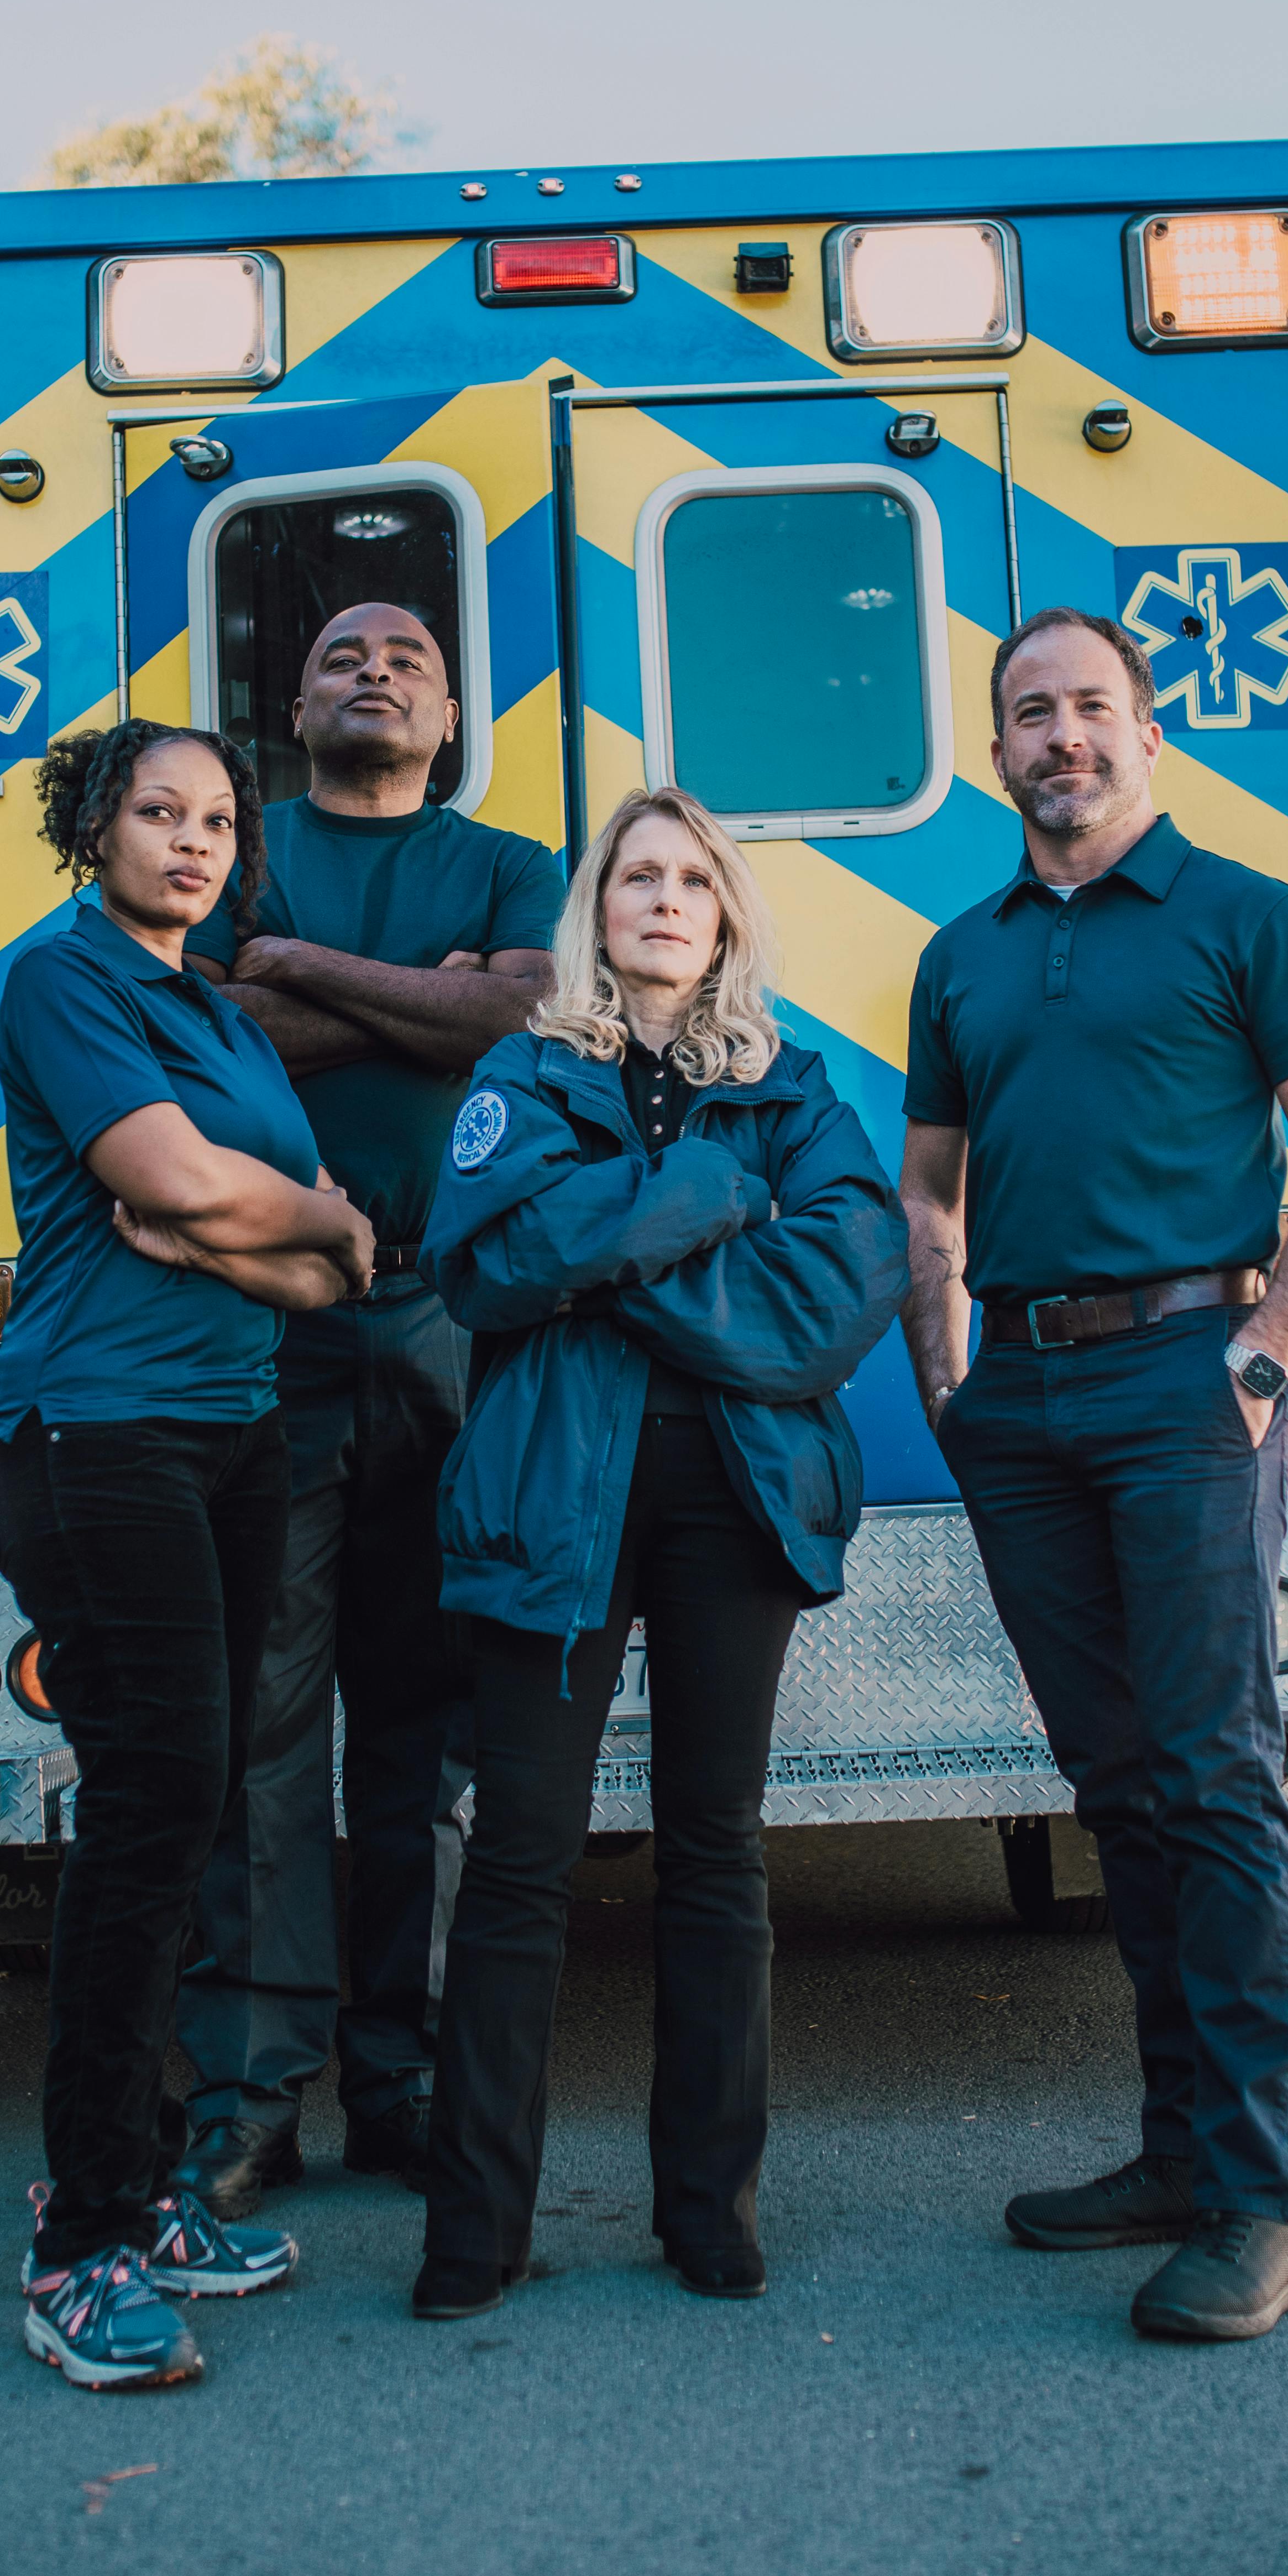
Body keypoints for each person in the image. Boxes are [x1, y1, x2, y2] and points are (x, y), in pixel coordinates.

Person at [898, 610, 1288, 2345]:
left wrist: (1261, 1361)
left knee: (1214, 1779)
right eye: (1030, 712)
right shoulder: (961, 955)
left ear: (1147, 734)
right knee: (1115, 1784)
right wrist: (949, 1381)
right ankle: (1180, 2152)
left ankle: (1264, 2207)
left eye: (1092, 707)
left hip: (1187, 1381)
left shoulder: (1255, 915)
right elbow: (931, 1187)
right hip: (1022, 1400)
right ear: (996, 750)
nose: (1063, 735)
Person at [409, 786, 909, 2320]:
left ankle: (710, 2213)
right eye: (638, 875)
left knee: (715, 1844)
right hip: (552, 1496)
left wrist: (608, 1261)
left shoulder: (794, 1088)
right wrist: (700, 1200)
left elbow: (836, 1294)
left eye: (696, 878)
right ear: (599, 910)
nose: (667, 898)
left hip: (733, 1504)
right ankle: (474, 2232)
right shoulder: (522, 1071)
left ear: (726, 915)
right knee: (521, 1853)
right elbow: (483, 1265)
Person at [0, 719, 375, 2392]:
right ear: (98, 829)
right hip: (98, 1436)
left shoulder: (219, 1012)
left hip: (237, 1433)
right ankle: (82, 2247)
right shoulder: (64, 985)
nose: (195, 842)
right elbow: (167, 1179)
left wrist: (281, 1233)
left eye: (217, 820)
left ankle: (133, 2188)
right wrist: (289, 1214)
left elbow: (320, 1257)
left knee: (194, 1807)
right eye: (159, 812)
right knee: (151, 1812)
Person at [159, 602, 564, 2212]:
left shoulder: (512, 863)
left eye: (407, 658)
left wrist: (304, 974)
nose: (375, 670)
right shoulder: (236, 852)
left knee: (427, 1726)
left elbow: (525, 1014)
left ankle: (399, 2081)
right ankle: (251, 2097)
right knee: (261, 1724)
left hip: (451, 1324)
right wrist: (422, 995)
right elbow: (203, 1032)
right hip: (263, 1326)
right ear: (296, 705)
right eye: (341, 655)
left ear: (451, 714)